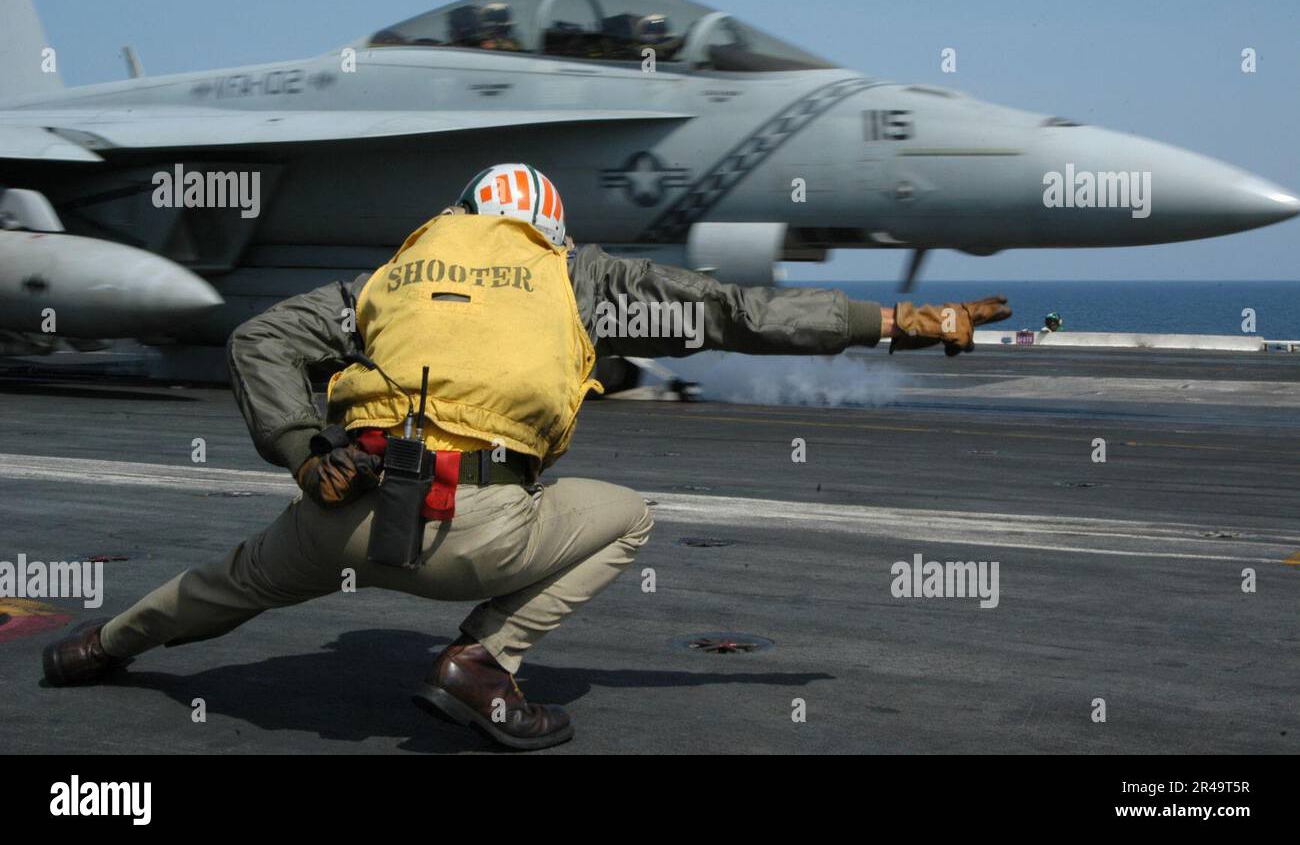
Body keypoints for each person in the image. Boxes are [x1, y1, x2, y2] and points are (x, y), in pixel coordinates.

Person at [42, 163, 1012, 750]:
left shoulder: (392, 275)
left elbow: (259, 340)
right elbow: (742, 313)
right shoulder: (577, 278)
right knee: (628, 514)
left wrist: (303, 454)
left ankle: (97, 646)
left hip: (340, 512)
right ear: (550, 228)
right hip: (476, 528)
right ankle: (480, 661)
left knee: (227, 582)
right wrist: (904, 321)